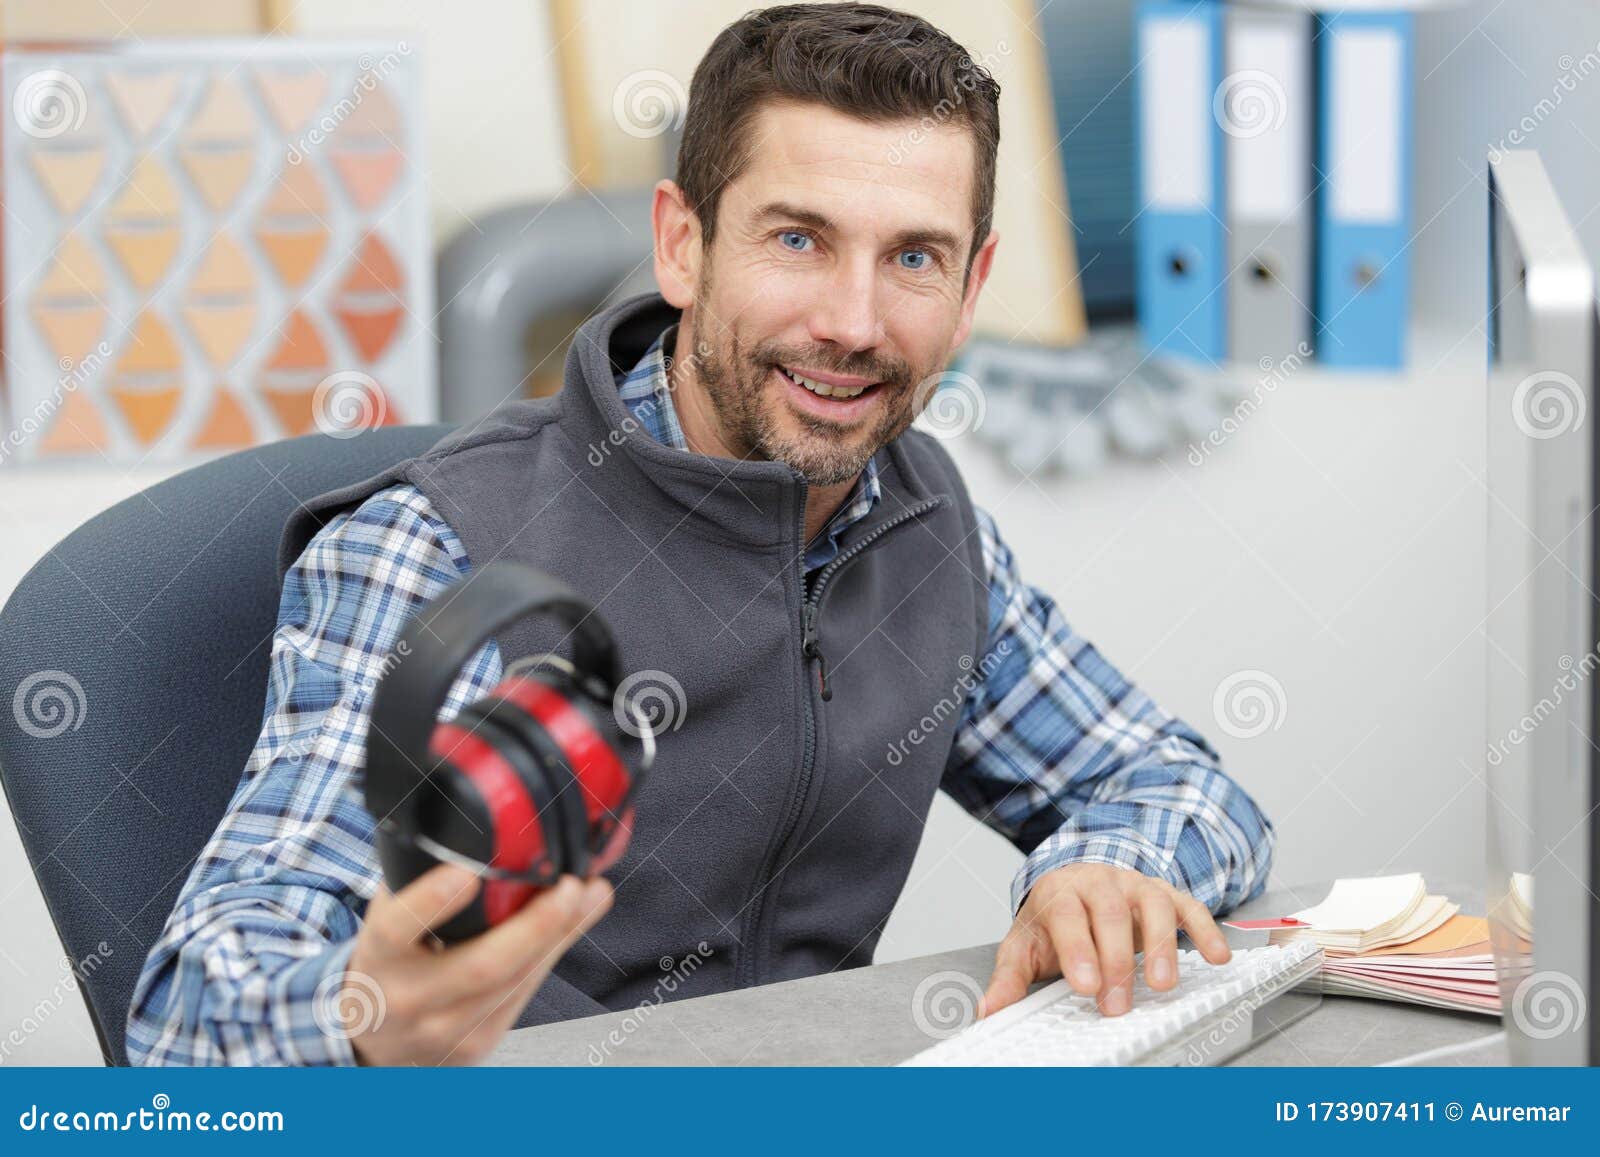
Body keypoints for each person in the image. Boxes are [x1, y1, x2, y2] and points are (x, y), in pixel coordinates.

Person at [127, 2, 1274, 1067]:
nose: (852, 323)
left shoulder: (916, 514)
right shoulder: (437, 549)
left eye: (912, 257)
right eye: (797, 240)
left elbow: (1181, 781)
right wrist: (362, 1012)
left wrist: (1106, 863)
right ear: (683, 246)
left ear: (970, 290)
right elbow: (187, 1019)